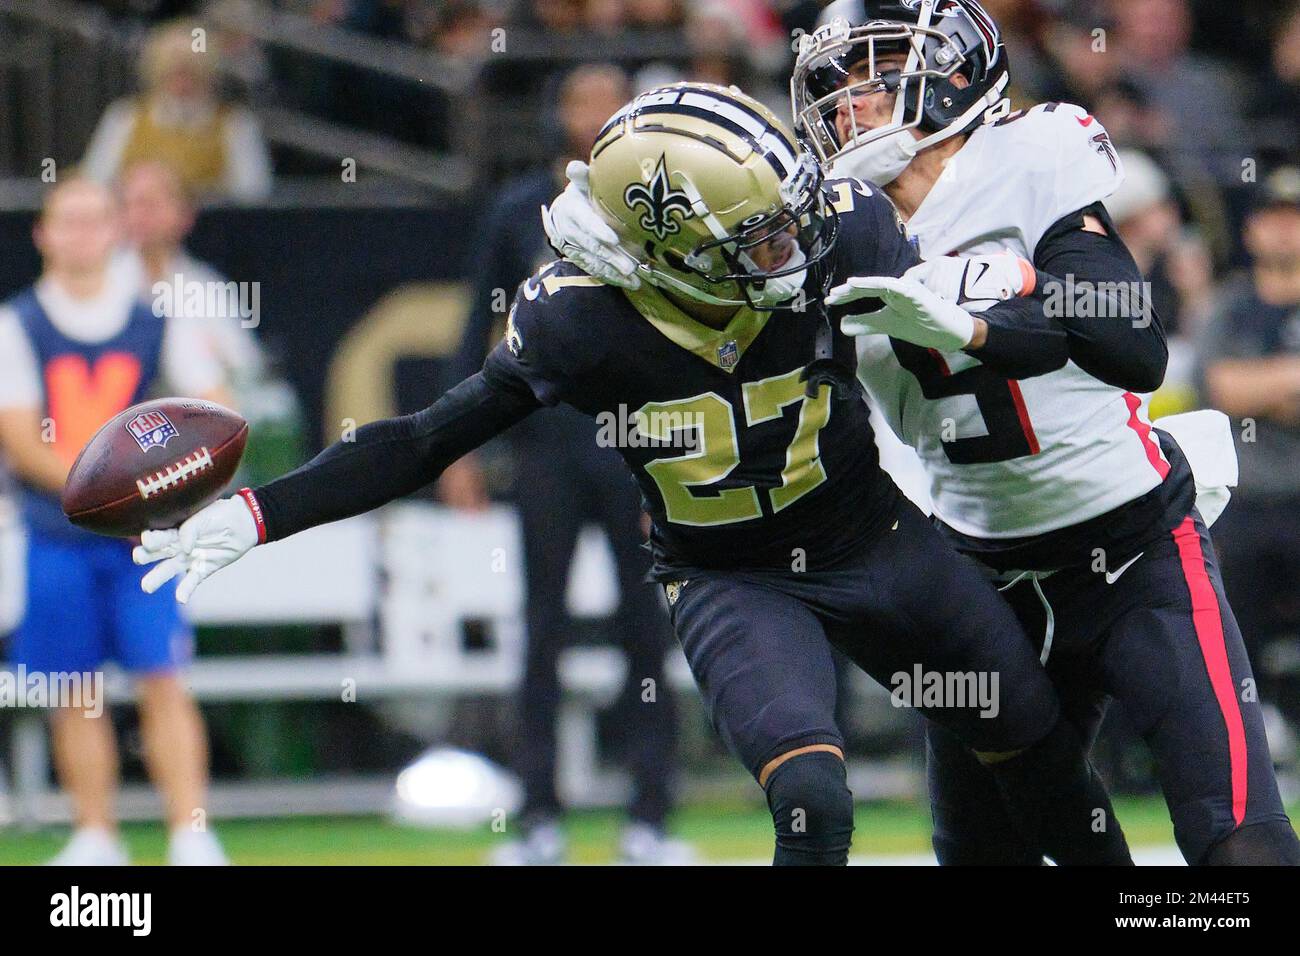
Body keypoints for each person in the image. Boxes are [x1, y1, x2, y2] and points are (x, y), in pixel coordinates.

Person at [134, 83, 1132, 866]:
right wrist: (257, 511)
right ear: (670, 249)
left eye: (787, 216)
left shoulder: (843, 225)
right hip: (731, 575)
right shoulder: (580, 315)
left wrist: (1030, 324)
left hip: (872, 536)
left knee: (1046, 762)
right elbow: (424, 439)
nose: (798, 244)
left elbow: (999, 343)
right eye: (762, 236)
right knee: (813, 798)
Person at [544, 0, 1300, 866]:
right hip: (981, 584)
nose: (851, 100)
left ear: (956, 70)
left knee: (1245, 855)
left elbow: (1131, 342)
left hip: (1132, 553)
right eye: (836, 82)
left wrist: (979, 309)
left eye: (876, 71)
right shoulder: (818, 234)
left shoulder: (1030, 156)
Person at [439, 64, 687, 865]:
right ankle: (538, 814)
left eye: (606, 101)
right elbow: (477, 330)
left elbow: (677, 335)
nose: (591, 115)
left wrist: (679, 452)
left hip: (634, 446)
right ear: (557, 116)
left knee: (643, 630)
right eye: (579, 100)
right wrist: (461, 446)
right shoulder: (517, 211)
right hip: (545, 441)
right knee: (539, 627)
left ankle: (650, 815)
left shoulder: (655, 205)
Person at [0, 177, 230, 865]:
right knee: (74, 686)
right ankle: (95, 832)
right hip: (56, 535)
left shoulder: (157, 319)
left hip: (142, 542)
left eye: (92, 220)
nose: (79, 234)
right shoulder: (18, 323)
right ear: (43, 234)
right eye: (65, 221)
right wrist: (108, 485)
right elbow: (20, 439)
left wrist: (176, 483)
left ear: (113, 231)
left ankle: (190, 831)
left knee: (163, 677)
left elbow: (214, 410)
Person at [1200, 167, 1300, 740]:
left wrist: (1263, 386)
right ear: (1254, 230)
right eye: (1274, 219)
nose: (1285, 233)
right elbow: (1222, 389)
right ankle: (1252, 736)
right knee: (1236, 633)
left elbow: (1243, 386)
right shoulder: (1230, 307)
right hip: (1248, 499)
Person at [81, 19, 272, 202]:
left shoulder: (235, 123)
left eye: (191, 75)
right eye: (173, 75)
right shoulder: (125, 117)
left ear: (208, 76)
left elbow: (252, 195)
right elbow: (94, 184)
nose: (181, 85)